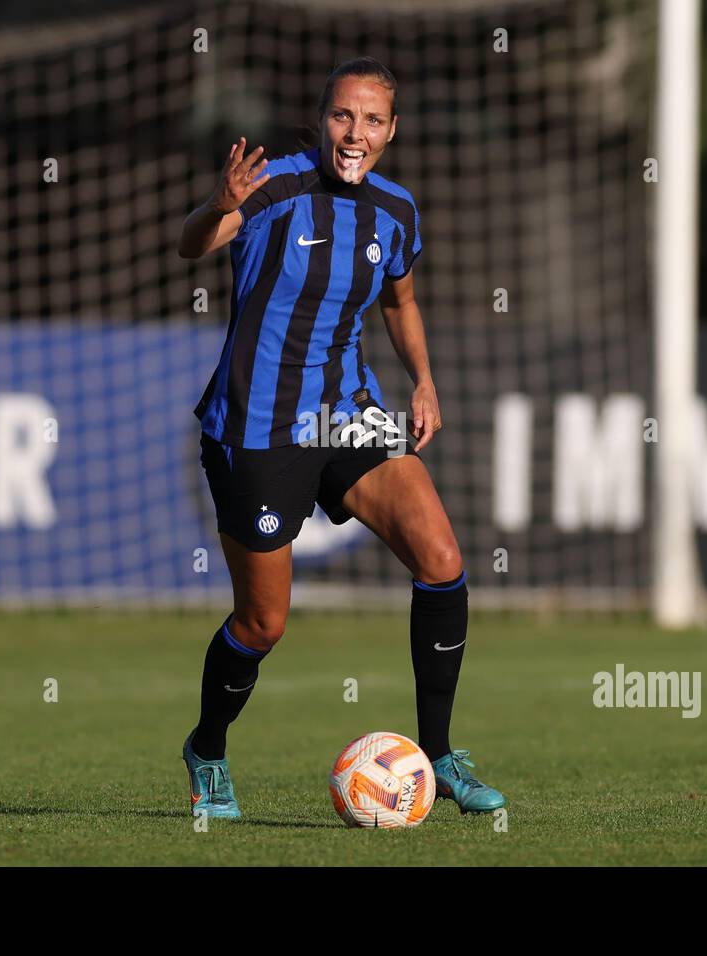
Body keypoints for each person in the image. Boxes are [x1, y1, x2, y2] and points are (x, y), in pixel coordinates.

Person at [176, 56, 504, 819]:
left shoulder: (395, 209)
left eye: (372, 121)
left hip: (346, 412)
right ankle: (208, 749)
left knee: (443, 560)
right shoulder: (275, 185)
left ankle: (442, 755)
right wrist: (215, 204)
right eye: (342, 117)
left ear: (393, 131)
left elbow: (401, 300)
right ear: (322, 120)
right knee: (264, 623)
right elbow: (195, 244)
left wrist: (422, 380)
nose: (355, 134)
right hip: (257, 426)